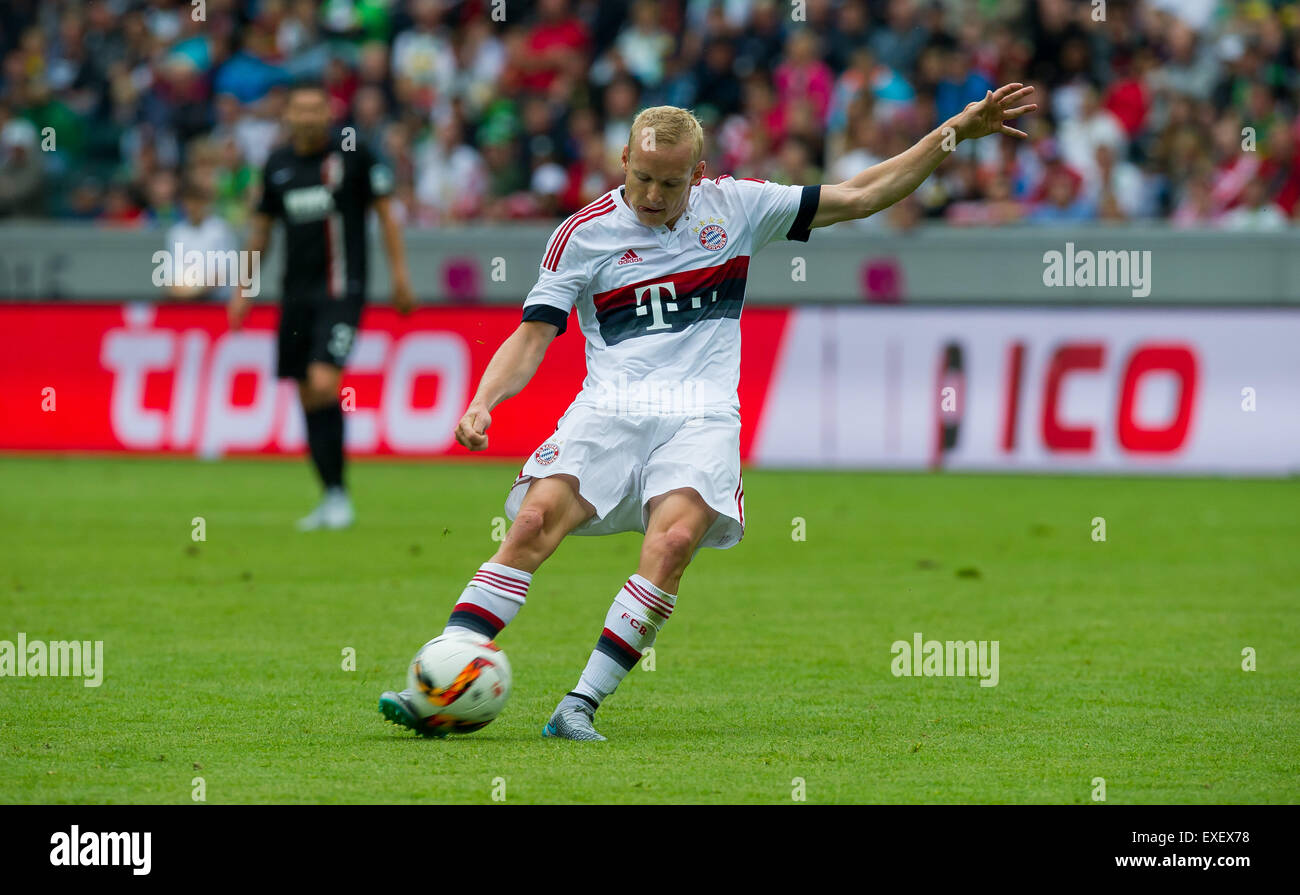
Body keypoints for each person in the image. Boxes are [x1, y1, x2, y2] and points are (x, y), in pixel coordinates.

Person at [380, 85, 1035, 740]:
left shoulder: (740, 207)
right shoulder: (580, 235)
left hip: (701, 417)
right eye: (642, 178)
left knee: (669, 544)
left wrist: (953, 131)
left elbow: (862, 194)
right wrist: (484, 400)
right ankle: (436, 680)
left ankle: (578, 705)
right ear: (623, 164)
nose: (655, 195)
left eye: (670, 182)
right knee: (531, 522)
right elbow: (532, 334)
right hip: (609, 409)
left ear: (698, 174)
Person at [228, 81, 414, 530]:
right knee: (307, 391)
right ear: (288, 115)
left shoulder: (353, 156)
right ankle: (332, 493)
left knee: (323, 380)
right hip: (295, 295)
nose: (308, 116)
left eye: (316, 108)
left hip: (342, 291)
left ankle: (338, 497)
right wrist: (243, 289)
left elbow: (386, 214)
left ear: (327, 114)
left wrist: (400, 276)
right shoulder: (277, 164)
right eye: (300, 109)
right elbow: (261, 230)